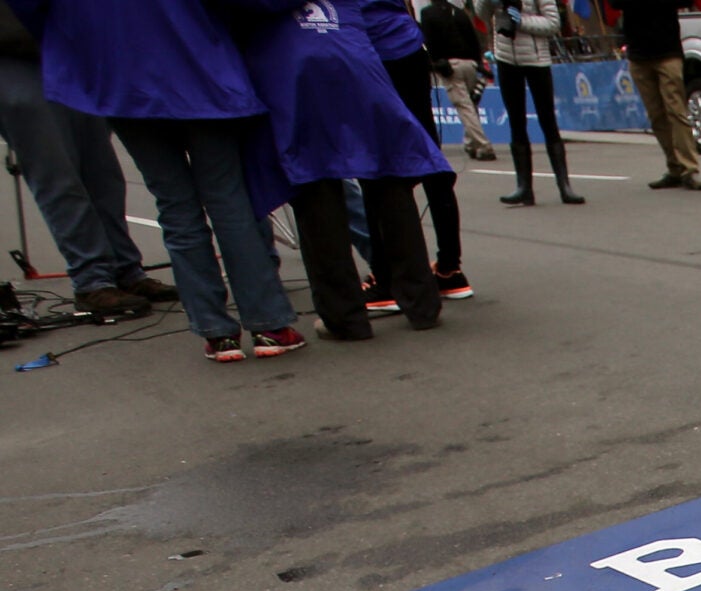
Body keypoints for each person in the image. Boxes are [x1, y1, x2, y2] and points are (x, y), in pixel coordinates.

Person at [20, 0, 304, 361]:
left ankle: (217, 332)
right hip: (196, 61)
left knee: (175, 205)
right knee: (228, 197)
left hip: (122, 71)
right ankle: (268, 324)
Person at [233, 0, 445, 341]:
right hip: (355, 55)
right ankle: (422, 304)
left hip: (294, 70)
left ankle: (344, 316)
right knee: (387, 178)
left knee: (315, 185)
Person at [0, 0, 179, 319]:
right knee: (58, 177)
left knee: (103, 174)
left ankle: (126, 271)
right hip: (17, 57)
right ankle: (92, 280)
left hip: (71, 52)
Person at [356, 0, 472, 300]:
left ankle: (384, 279)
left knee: (373, 166)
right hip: (406, 46)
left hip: (368, 50)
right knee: (429, 155)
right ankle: (450, 269)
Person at [478, 0, 581, 208]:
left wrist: (522, 21)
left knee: (547, 121)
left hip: (537, 61)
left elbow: (553, 23)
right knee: (516, 122)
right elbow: (483, 14)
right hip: (506, 59)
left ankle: (564, 186)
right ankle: (524, 187)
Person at [618, 0, 701, 191]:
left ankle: (689, 169)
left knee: (676, 112)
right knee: (656, 115)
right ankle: (674, 167)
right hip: (639, 54)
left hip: (667, 52)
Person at [420, 0, 495, 161]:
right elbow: (473, 39)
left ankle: (483, 144)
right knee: (471, 105)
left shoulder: (428, 14)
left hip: (450, 64)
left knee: (465, 107)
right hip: (471, 63)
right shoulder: (460, 13)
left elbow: (429, 40)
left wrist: (434, 62)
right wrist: (479, 62)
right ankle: (470, 143)